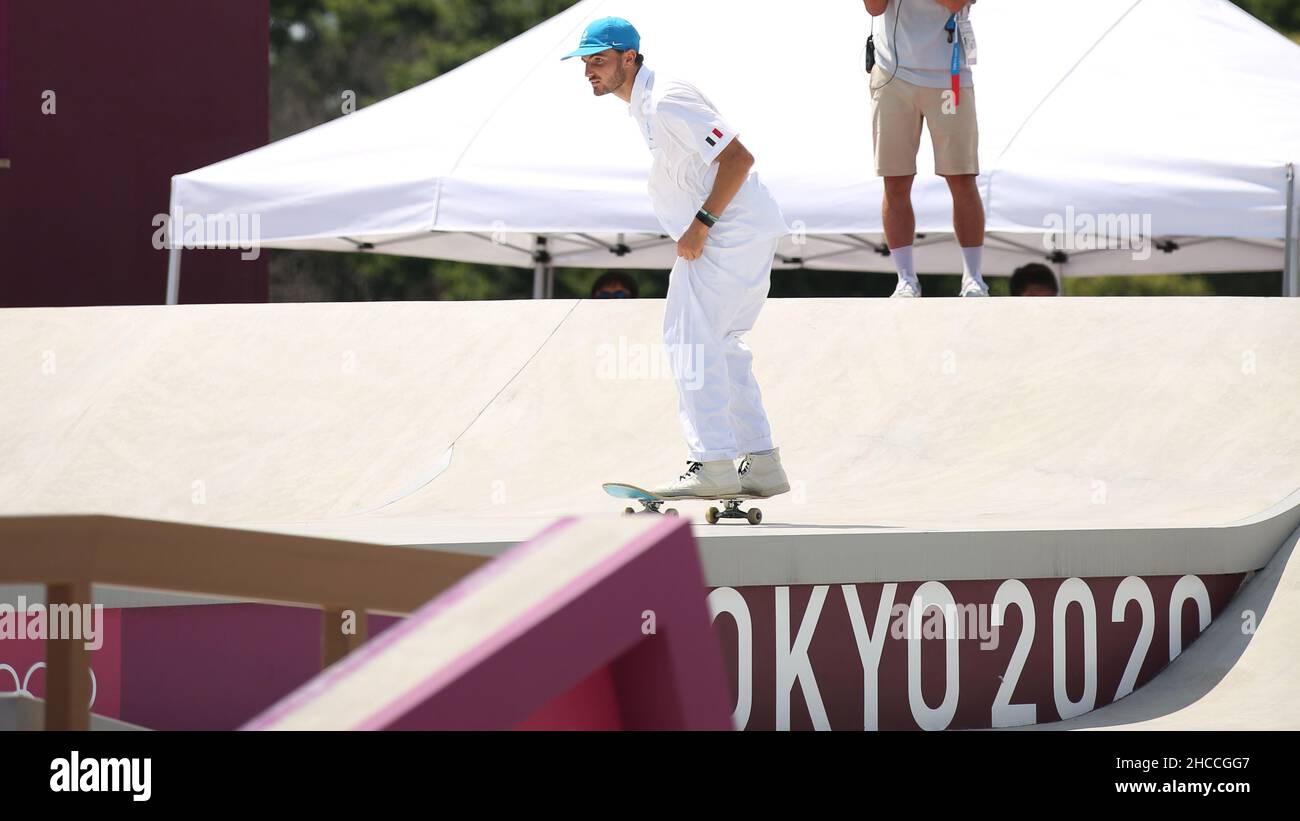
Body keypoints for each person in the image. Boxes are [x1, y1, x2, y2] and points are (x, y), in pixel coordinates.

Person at [564, 17, 790, 500]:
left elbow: (739, 158)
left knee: (688, 340)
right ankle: (762, 462)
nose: (589, 71)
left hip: (727, 232)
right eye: (585, 62)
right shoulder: (646, 106)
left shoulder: (666, 99)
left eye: (598, 60)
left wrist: (700, 224)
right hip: (739, 232)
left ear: (630, 58)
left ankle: (711, 462)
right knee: (723, 345)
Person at [864, 0, 989, 297]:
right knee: (895, 179)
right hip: (891, 72)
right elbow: (874, 8)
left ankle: (973, 278)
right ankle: (905, 279)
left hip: (949, 73)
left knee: (961, 176)